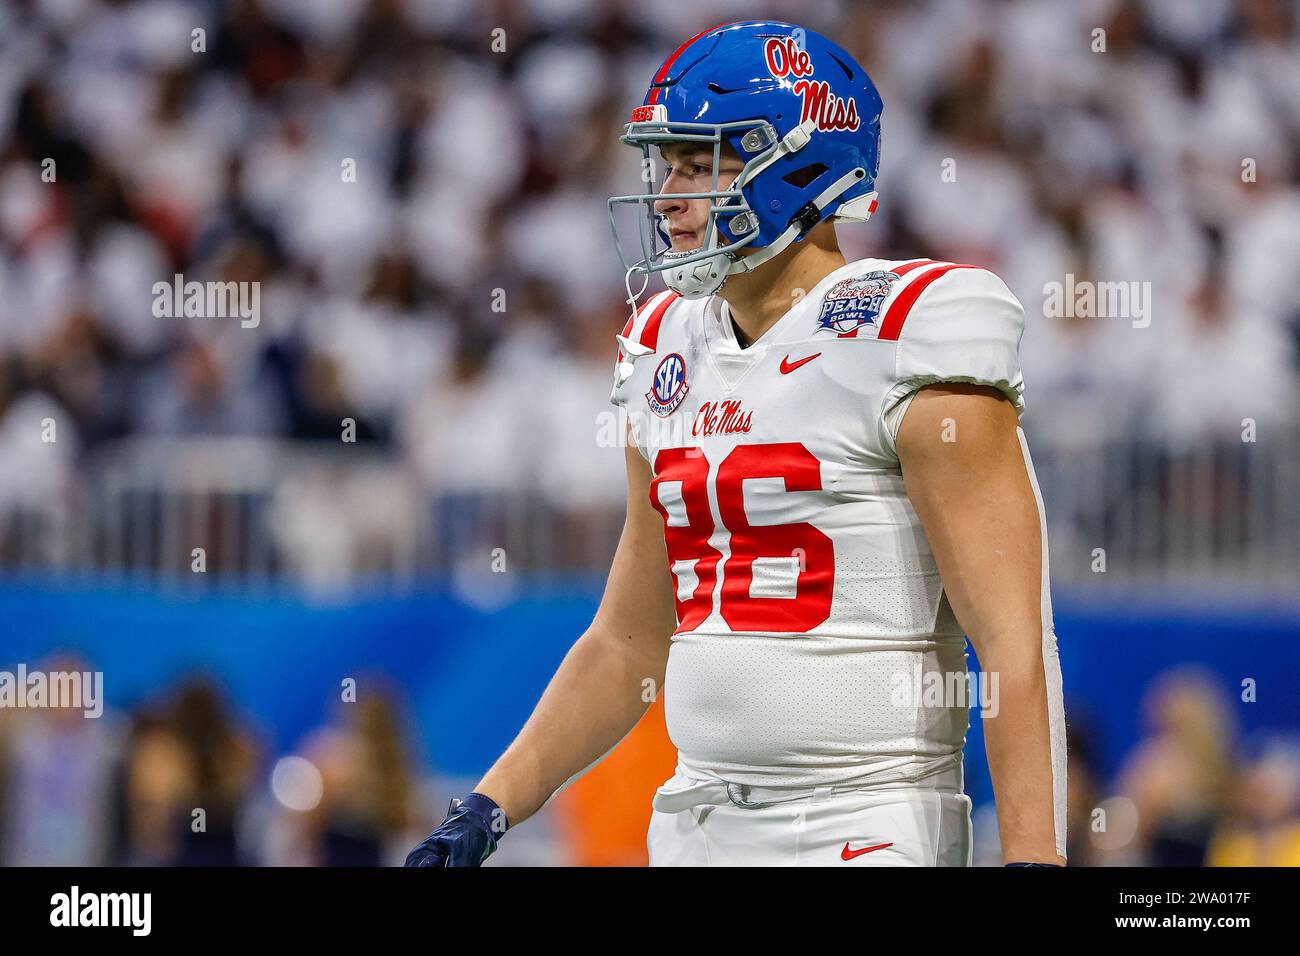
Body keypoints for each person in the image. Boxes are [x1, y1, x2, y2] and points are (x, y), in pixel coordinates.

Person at [407, 20, 1066, 867]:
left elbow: (1012, 639)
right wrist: (488, 810)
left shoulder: (913, 329)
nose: (667, 192)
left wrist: (1034, 859)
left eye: (698, 158)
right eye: (663, 161)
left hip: (863, 825)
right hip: (697, 821)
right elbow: (628, 642)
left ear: (799, 162)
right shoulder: (664, 345)